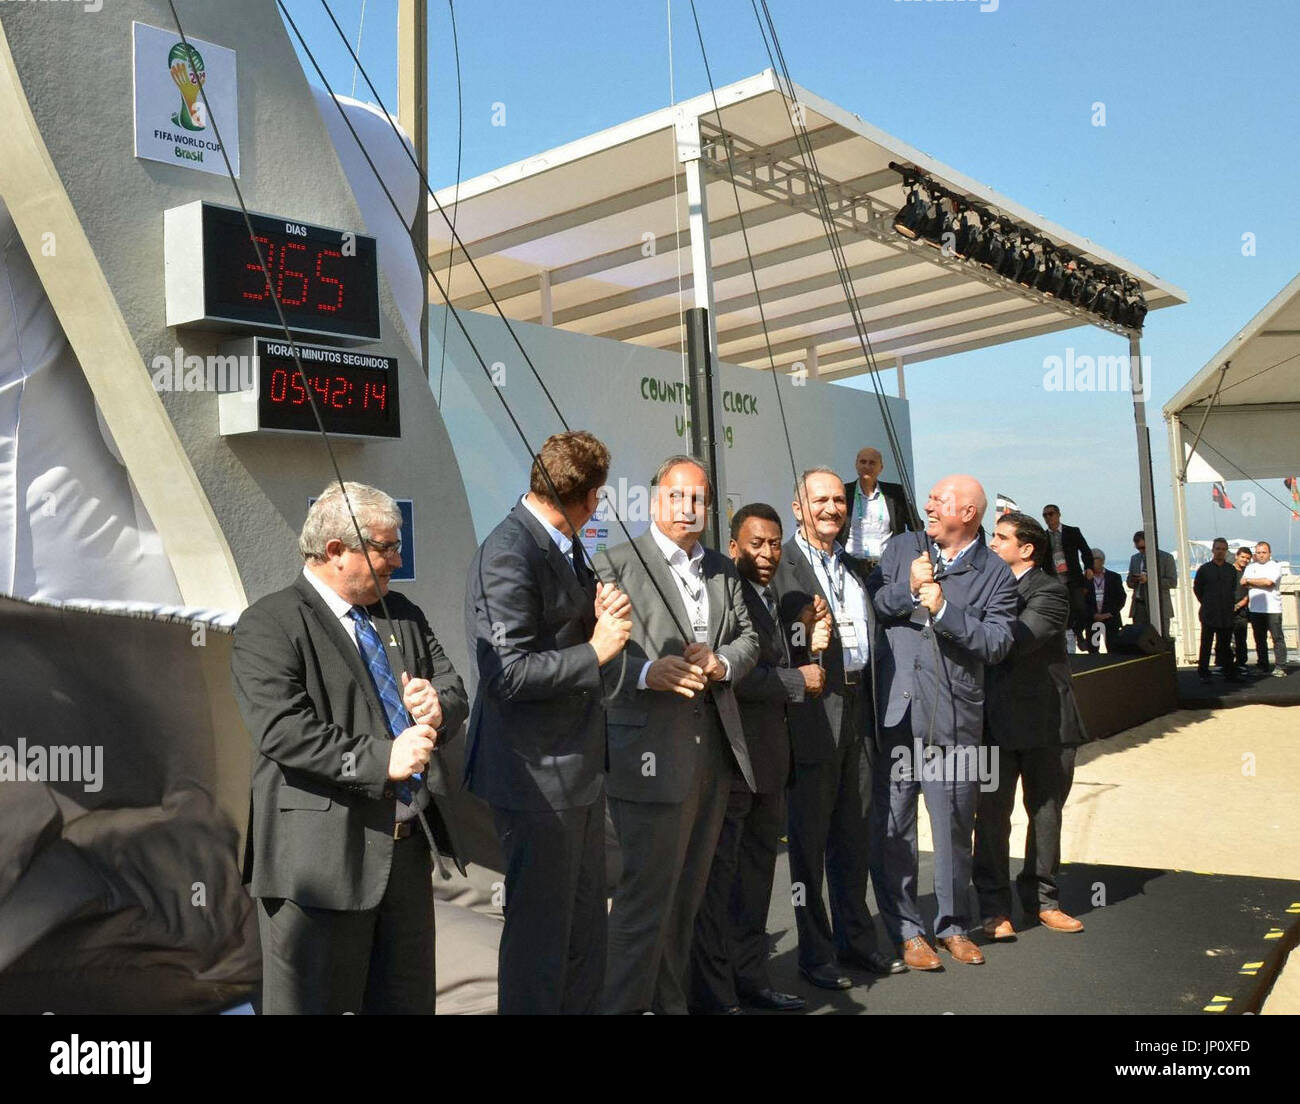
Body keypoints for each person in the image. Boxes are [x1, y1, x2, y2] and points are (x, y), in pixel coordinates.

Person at [231, 482, 469, 1014]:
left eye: (396, 545)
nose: (397, 559)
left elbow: (454, 689)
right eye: (385, 547)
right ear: (336, 550)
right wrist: (382, 760)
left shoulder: (401, 612)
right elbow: (282, 730)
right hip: (319, 866)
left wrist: (437, 704)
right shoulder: (269, 623)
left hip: (404, 856)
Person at [464, 431, 632, 1014]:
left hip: (577, 773)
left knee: (585, 931)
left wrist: (600, 620)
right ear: (584, 498)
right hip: (536, 778)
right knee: (541, 937)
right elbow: (507, 674)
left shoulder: (559, 543)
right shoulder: (509, 550)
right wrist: (599, 648)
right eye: (598, 500)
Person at [594, 455, 759, 1014]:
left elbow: (750, 641)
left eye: (698, 499)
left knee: (686, 902)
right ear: (653, 500)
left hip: (713, 755)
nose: (688, 508)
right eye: (676, 496)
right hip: (647, 757)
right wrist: (645, 673)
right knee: (643, 905)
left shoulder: (722, 568)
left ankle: (671, 1005)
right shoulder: (614, 563)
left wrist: (720, 662)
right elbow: (589, 660)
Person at [868, 475, 1017, 970]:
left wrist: (945, 609)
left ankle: (953, 925)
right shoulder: (903, 547)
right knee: (895, 827)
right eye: (930, 497)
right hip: (896, 712)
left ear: (969, 513)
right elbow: (875, 603)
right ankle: (908, 930)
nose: (928, 504)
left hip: (954, 721)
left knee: (953, 824)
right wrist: (908, 588)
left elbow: (997, 644)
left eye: (940, 499)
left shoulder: (995, 571)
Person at [775, 469, 906, 990]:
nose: (832, 508)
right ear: (797, 507)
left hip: (858, 710)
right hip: (809, 714)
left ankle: (856, 939)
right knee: (808, 845)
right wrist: (805, 633)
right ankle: (815, 953)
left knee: (853, 836)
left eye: (838, 500)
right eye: (820, 500)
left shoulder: (852, 567)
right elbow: (771, 642)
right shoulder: (780, 566)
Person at [690, 503, 819, 1014]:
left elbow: (783, 659)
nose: (767, 554)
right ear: (734, 544)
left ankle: (750, 978)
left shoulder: (772, 597)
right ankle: (717, 993)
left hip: (770, 763)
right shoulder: (725, 594)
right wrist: (797, 681)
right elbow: (733, 676)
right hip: (733, 764)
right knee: (723, 886)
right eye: (756, 544)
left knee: (757, 880)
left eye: (774, 544)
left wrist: (810, 637)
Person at [974, 512, 1088, 940]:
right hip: (993, 725)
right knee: (990, 819)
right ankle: (993, 907)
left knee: (1045, 814)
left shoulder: (1051, 592)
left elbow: (1016, 640)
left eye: (1001, 539)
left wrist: (960, 622)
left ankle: (1043, 900)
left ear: (1026, 549)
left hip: (1047, 723)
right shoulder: (983, 586)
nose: (992, 545)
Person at [839, 446, 916, 566]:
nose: (867, 466)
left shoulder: (894, 493)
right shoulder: (844, 492)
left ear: (881, 468)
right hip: (851, 565)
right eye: (863, 462)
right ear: (856, 465)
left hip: (887, 565)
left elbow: (916, 527)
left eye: (872, 463)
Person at [1040, 505, 1093, 652]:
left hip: (1073, 578)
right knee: (1063, 611)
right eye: (1045, 515)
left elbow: (1085, 551)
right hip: (1054, 580)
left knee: (1081, 608)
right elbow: (1037, 558)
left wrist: (1089, 567)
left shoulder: (1072, 532)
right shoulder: (1043, 537)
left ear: (1058, 514)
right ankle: (1070, 637)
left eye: (1050, 514)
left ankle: (1077, 631)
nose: (1048, 518)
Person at [1192, 538, 1241, 684]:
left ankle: (1229, 673)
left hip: (1226, 613)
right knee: (1206, 644)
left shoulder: (1230, 570)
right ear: (1213, 550)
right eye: (1218, 549)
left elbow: (1234, 589)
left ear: (1226, 551)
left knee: (1225, 645)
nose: (1220, 552)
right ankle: (1204, 672)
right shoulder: (1205, 569)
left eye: (1223, 549)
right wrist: (1207, 602)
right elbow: (1198, 589)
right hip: (1209, 613)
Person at [1241, 541, 1289, 677]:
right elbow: (1243, 582)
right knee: (1259, 639)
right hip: (1255, 609)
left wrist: (1252, 582)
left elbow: (1269, 583)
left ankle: (1280, 666)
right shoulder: (1250, 567)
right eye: (1258, 552)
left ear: (1269, 553)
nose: (1261, 555)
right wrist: (1258, 582)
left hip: (1273, 609)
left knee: (1277, 638)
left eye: (1264, 552)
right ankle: (1262, 665)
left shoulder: (1275, 566)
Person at [1127, 530, 1177, 634]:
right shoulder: (1135, 559)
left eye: (1143, 548)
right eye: (1138, 548)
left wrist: (1149, 579)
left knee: (1161, 637)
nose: (1141, 551)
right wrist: (1134, 580)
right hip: (1139, 605)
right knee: (1139, 638)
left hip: (1159, 604)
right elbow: (1129, 582)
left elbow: (1172, 582)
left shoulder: (1166, 558)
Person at [1083, 548, 1125, 653]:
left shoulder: (1114, 577)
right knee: (1093, 651)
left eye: (1093, 560)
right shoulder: (1084, 578)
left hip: (1110, 620)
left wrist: (1109, 613)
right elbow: (1082, 600)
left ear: (1101, 561)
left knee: (1113, 650)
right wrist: (1093, 615)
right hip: (1093, 621)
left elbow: (1121, 598)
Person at [1232, 546, 1254, 675]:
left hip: (1242, 610)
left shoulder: (1249, 573)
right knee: (1224, 638)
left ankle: (1241, 663)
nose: (1245, 560)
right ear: (1236, 556)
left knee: (1241, 638)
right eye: (1242, 557)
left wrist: (1240, 604)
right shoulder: (1228, 570)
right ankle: (1224, 664)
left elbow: (1251, 591)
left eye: (1247, 558)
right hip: (1227, 608)